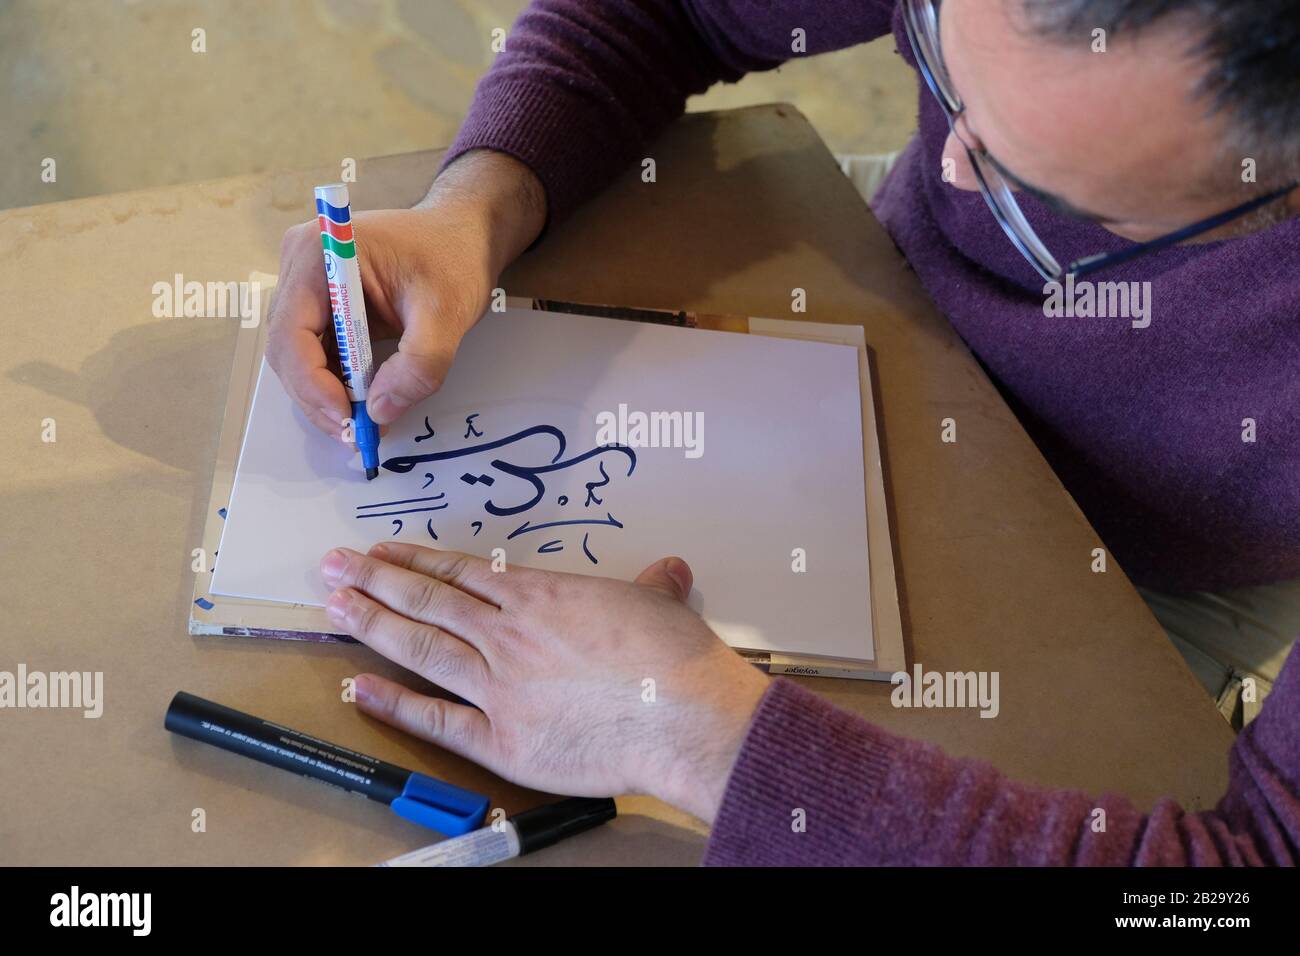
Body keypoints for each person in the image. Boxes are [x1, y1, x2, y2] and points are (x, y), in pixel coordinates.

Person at [269, 2, 1300, 864]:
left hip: (1151, 557)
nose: (950, 170)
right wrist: (475, 207)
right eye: (944, 68)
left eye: (1045, 199)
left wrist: (696, 737)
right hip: (893, 327)